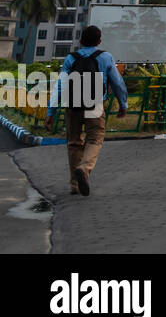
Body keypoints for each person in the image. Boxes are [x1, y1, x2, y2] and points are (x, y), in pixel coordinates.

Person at [44, 26, 129, 197]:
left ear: (81, 41)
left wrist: (50, 112)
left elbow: (59, 86)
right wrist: (123, 104)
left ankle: (75, 185)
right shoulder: (105, 57)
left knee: (74, 142)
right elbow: (117, 83)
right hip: (95, 105)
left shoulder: (70, 58)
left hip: (73, 105)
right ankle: (84, 168)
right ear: (99, 41)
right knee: (95, 138)